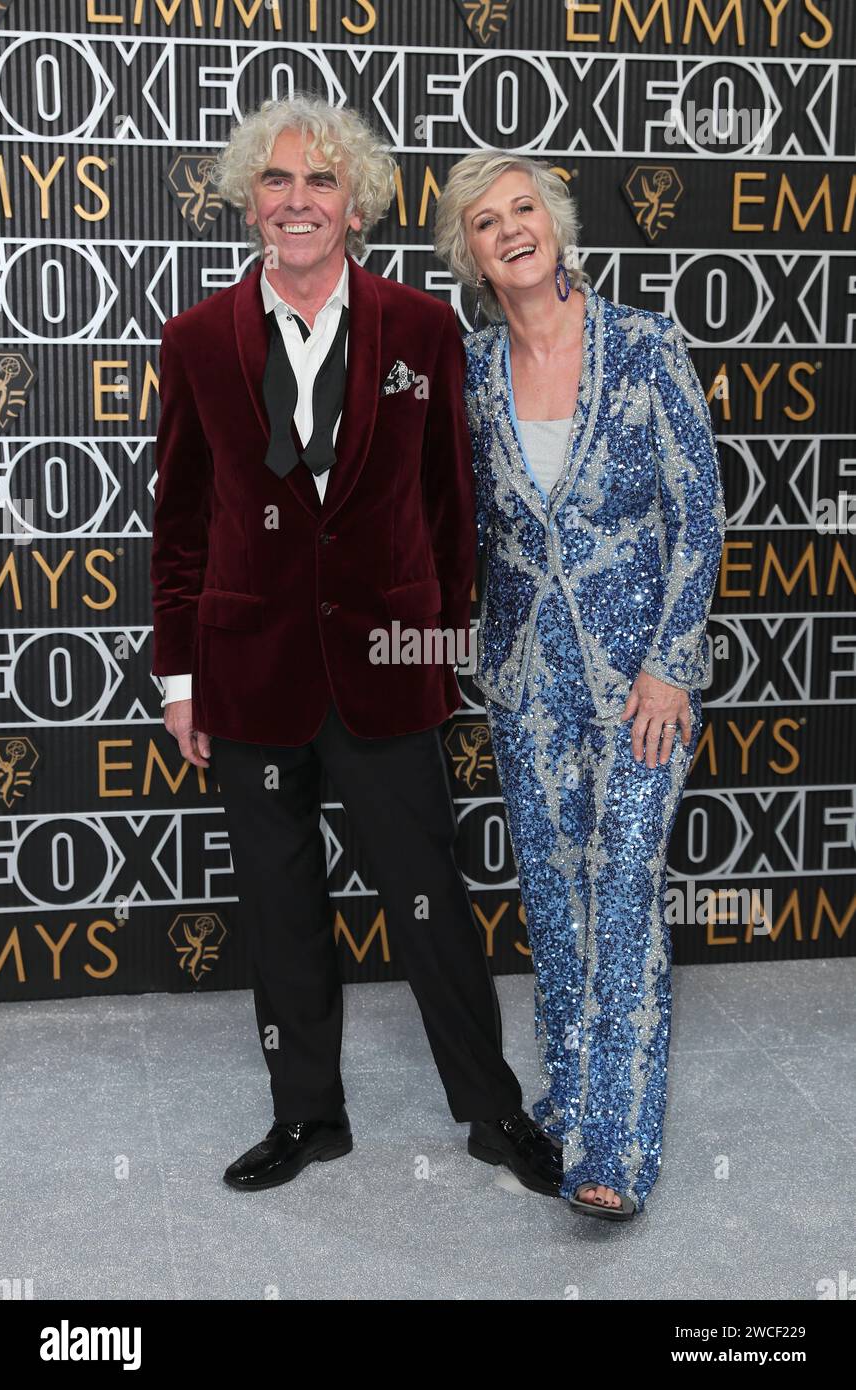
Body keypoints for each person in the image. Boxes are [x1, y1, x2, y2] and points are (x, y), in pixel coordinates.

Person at [150, 95, 562, 1196]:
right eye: (277, 182)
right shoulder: (194, 340)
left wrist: (426, 650)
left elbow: (448, 514)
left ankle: (491, 1111)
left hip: (386, 672)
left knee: (429, 903)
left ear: (358, 204)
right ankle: (306, 1118)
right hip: (248, 673)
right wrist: (181, 678)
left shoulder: (423, 331)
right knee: (279, 909)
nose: (297, 202)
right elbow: (180, 522)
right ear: (249, 203)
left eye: (320, 182)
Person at [434, 152, 727, 1221]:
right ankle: (568, 1096)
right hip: (523, 681)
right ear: (466, 253)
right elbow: (444, 523)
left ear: (553, 223)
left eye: (523, 208)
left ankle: (614, 1144)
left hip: (639, 676)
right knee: (553, 901)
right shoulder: (465, 370)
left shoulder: (646, 347)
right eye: (483, 221)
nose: (510, 229)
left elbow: (698, 520)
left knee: (624, 891)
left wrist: (668, 666)